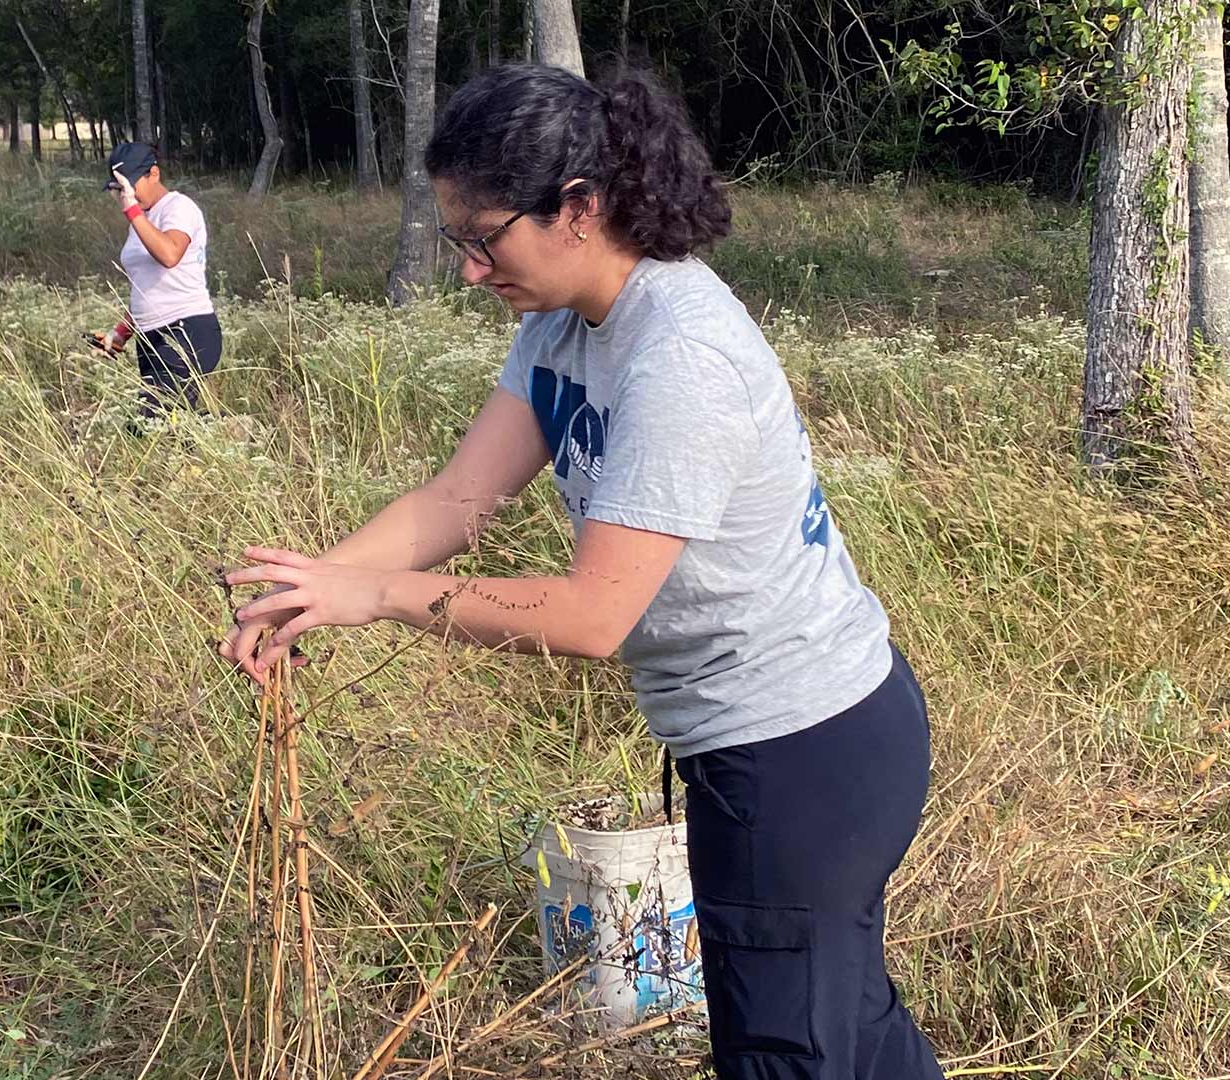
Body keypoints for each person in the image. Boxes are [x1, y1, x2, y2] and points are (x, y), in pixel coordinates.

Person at [218, 64, 945, 1080]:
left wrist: (378, 596)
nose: (471, 269)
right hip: (771, 745)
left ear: (578, 208)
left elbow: (595, 614)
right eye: (457, 241)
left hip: (805, 750)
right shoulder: (559, 327)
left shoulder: (681, 356)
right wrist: (315, 586)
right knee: (848, 1029)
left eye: (484, 238)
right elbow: (458, 502)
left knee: (788, 1051)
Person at [86, 142, 222, 416]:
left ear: (154, 174)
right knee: (174, 424)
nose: (127, 195)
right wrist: (121, 333)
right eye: (118, 189)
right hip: (150, 339)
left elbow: (170, 254)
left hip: (188, 331)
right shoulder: (141, 220)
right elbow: (147, 288)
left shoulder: (179, 208)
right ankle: (232, 438)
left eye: (130, 185)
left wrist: (133, 211)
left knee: (149, 423)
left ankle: (239, 434)